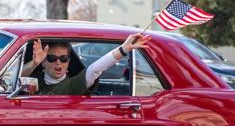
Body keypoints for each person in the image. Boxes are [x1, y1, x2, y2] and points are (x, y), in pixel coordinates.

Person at [21, 33, 151, 95]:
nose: (58, 62)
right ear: (43, 62)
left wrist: (123, 49)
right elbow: (14, 78)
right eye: (52, 58)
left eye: (64, 58)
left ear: (68, 61)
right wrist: (34, 63)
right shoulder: (33, 79)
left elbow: (95, 69)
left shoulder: (73, 85)